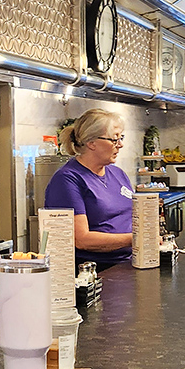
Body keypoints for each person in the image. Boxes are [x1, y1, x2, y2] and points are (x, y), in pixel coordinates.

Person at [44, 109, 133, 268]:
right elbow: (81, 239)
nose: (120, 145)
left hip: (130, 263)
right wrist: (136, 238)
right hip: (96, 271)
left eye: (121, 138)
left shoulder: (118, 174)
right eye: (114, 139)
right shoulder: (67, 180)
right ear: (91, 143)